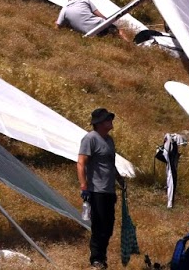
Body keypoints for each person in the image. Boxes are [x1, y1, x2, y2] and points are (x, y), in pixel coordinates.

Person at [78, 107, 119, 268]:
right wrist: (84, 186)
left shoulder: (109, 140)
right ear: (100, 123)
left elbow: (109, 164)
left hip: (109, 190)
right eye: (108, 119)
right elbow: (81, 163)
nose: (111, 122)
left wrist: (119, 179)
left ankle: (102, 257)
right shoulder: (90, 139)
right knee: (99, 226)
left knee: (108, 226)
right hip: (96, 190)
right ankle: (96, 259)